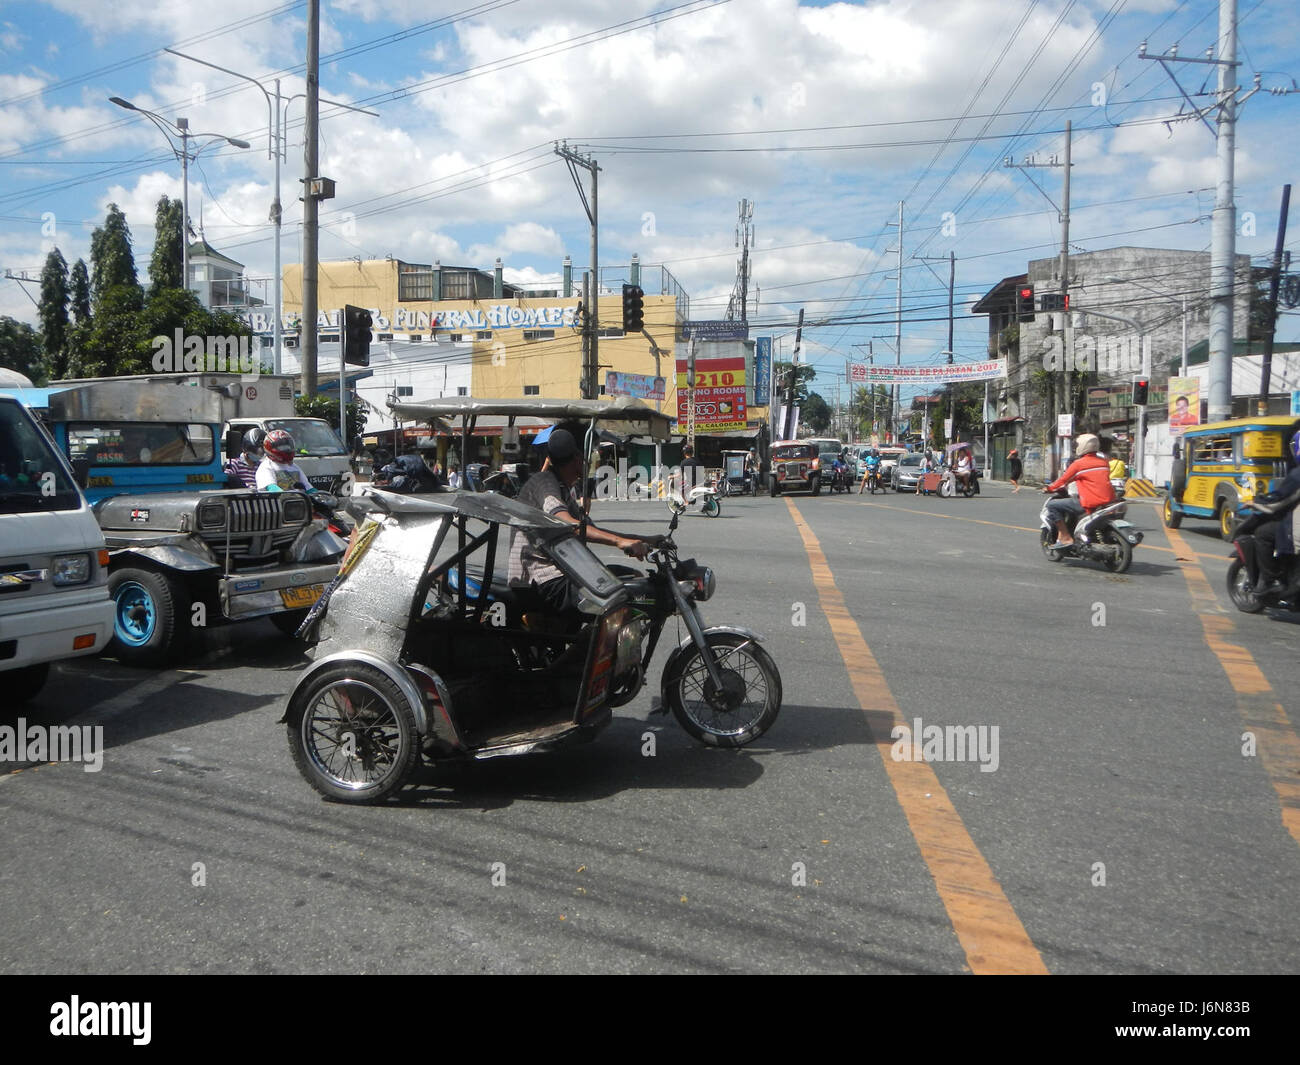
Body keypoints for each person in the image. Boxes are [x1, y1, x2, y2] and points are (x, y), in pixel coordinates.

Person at [509, 428, 650, 620]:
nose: (591, 461)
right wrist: (618, 542)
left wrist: (644, 540)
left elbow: (588, 529)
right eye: (589, 455)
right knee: (614, 603)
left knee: (632, 577)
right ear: (577, 458)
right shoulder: (545, 483)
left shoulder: (563, 488)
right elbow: (565, 521)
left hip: (562, 572)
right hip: (540, 578)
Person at [1248, 431, 1300, 594]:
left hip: (1297, 528)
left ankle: (1271, 580)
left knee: (1262, 533)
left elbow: (1278, 499)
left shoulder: (1297, 474)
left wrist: (1256, 502)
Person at [1041, 433, 1115, 548]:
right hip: (1108, 501)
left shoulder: (1079, 464)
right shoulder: (1104, 461)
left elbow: (1063, 481)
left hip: (1089, 502)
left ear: (1082, 446)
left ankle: (1065, 537)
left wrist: (1049, 488)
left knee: (1052, 505)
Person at [256, 428, 315, 493]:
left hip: (298, 501)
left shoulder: (294, 467)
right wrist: (288, 495)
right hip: (278, 502)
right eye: (282, 447)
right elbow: (271, 487)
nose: (287, 449)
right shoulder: (266, 467)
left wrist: (320, 496)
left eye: (288, 446)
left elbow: (308, 487)